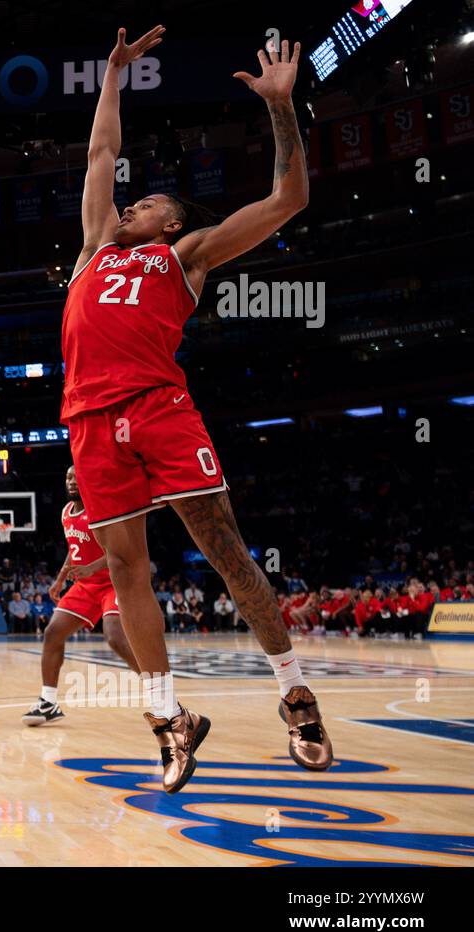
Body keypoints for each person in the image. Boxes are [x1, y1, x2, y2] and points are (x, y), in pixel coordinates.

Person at [59, 26, 330, 792]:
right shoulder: (90, 253)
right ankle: (169, 718)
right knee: (126, 569)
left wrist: (281, 107)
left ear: (170, 224)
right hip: (88, 421)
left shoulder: (183, 256)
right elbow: (100, 156)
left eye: (145, 204)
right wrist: (112, 76)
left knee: (225, 551)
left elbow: (289, 199)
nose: (128, 205)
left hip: (158, 407)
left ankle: (294, 691)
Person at [23, 466, 140, 726]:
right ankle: (48, 702)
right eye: (68, 477)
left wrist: (90, 568)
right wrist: (61, 577)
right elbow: (74, 549)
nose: (72, 481)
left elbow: (119, 551)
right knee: (53, 633)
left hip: (113, 582)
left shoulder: (101, 511)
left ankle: (158, 691)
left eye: (77, 477)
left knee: (115, 637)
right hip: (86, 586)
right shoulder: (66, 512)